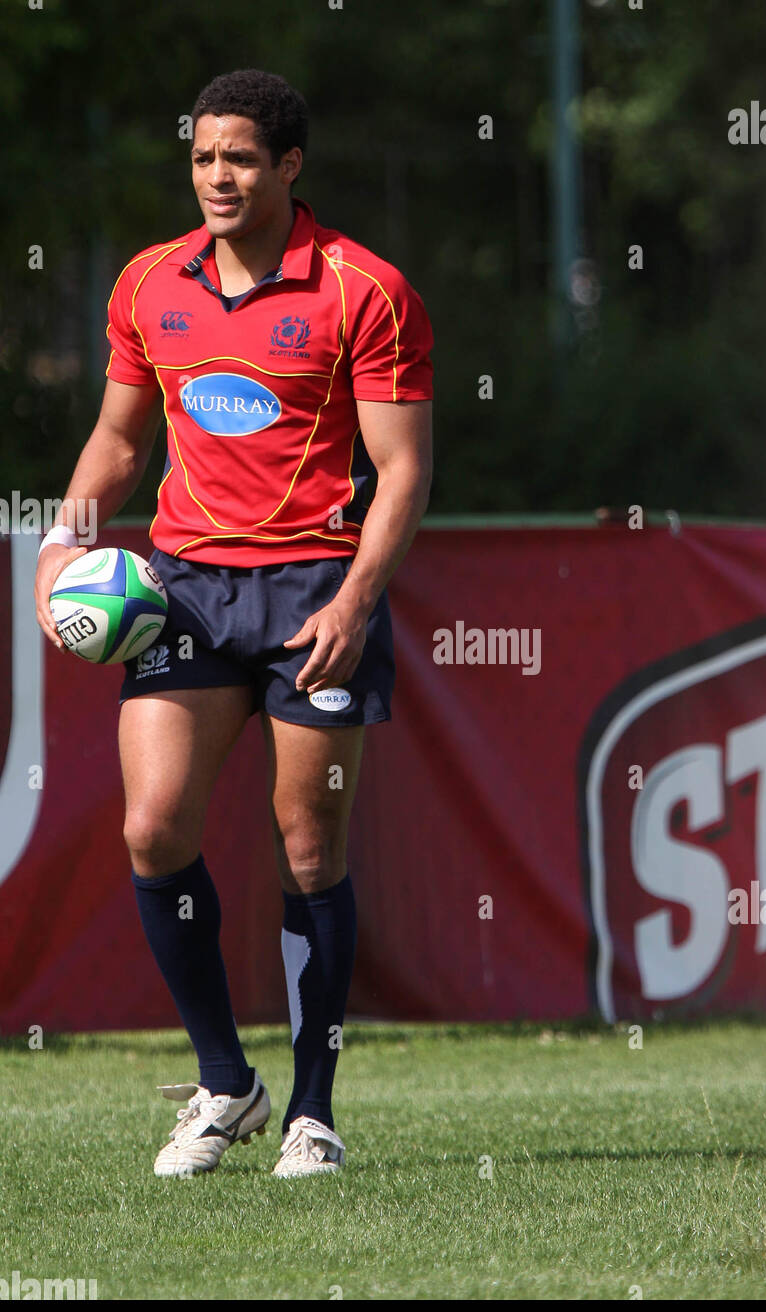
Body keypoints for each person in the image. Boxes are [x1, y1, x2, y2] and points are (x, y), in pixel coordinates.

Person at [32, 69, 434, 1178]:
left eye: (242, 158)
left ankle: (313, 1107)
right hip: (186, 589)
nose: (219, 176)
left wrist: (357, 599)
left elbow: (402, 472)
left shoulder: (366, 289)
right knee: (153, 828)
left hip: (316, 593)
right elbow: (119, 442)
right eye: (205, 156)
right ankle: (226, 1084)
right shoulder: (149, 282)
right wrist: (64, 541)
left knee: (310, 844)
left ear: (289, 166)